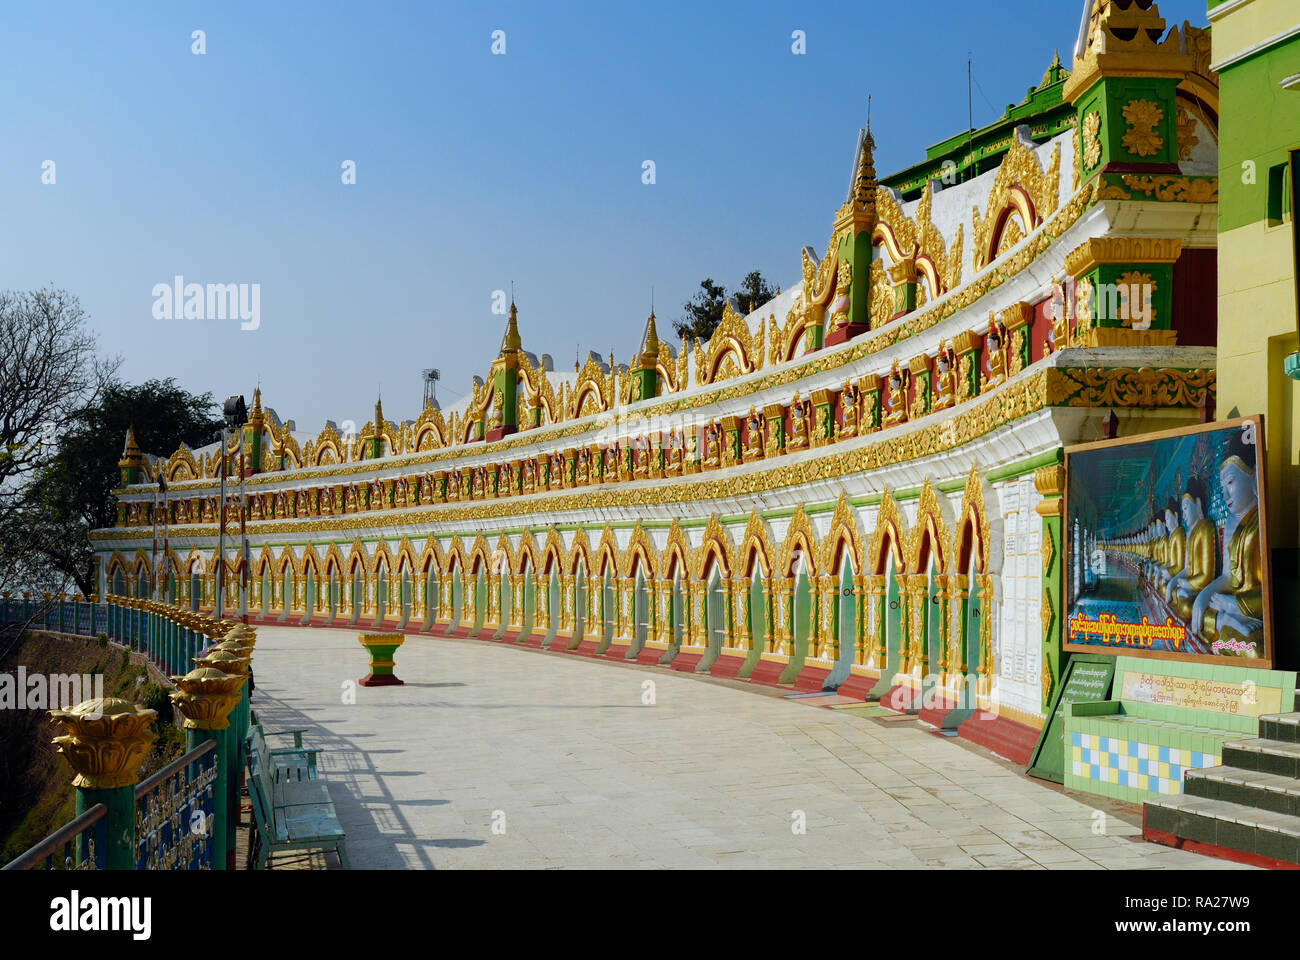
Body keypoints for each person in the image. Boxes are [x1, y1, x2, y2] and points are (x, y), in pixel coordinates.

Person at [1195, 431, 1264, 653]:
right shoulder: (1232, 522)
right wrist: (1203, 596)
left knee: (1255, 651)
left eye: (1231, 482)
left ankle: (1226, 622)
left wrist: (1234, 604)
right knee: (1200, 609)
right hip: (1231, 606)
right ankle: (1226, 621)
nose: (1224, 495)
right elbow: (1227, 576)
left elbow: (1267, 591)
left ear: (1254, 477)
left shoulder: (1262, 520)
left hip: (1250, 608)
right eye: (1222, 486)